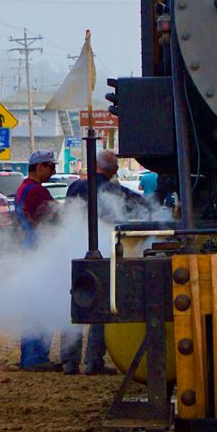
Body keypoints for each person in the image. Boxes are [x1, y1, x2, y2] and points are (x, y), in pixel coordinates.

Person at [60, 149, 145, 375]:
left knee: (74, 302)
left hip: (72, 249)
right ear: (114, 170)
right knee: (102, 302)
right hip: (102, 250)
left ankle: (69, 360)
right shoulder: (115, 191)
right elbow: (143, 207)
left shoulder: (75, 187)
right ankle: (93, 361)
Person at [14, 149, 61, 371]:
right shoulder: (37, 192)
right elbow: (56, 219)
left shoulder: (23, 189)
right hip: (41, 249)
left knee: (31, 302)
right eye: (51, 167)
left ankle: (29, 355)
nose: (53, 172)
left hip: (30, 247)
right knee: (43, 303)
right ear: (40, 166)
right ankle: (36, 357)